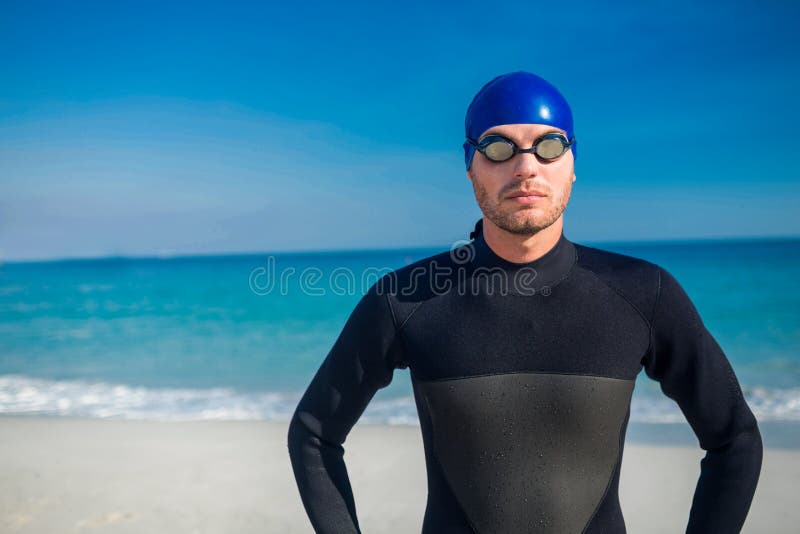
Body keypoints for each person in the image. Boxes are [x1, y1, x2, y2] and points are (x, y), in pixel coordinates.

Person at [287, 71, 763, 533]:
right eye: (498, 147)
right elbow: (313, 433)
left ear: (573, 165)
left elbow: (734, 439)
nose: (526, 166)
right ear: (470, 165)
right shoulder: (407, 299)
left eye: (550, 146)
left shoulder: (643, 293)